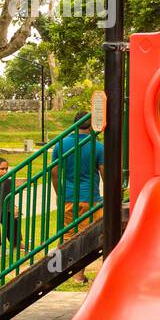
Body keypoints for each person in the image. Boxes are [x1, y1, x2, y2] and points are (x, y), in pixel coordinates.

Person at [52, 117, 105, 284]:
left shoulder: (61, 144)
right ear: (91, 126)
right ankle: (78, 275)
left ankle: (62, 269)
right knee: (87, 236)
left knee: (68, 235)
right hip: (89, 198)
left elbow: (54, 172)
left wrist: (59, 193)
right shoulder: (97, 146)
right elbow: (104, 173)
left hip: (67, 196)